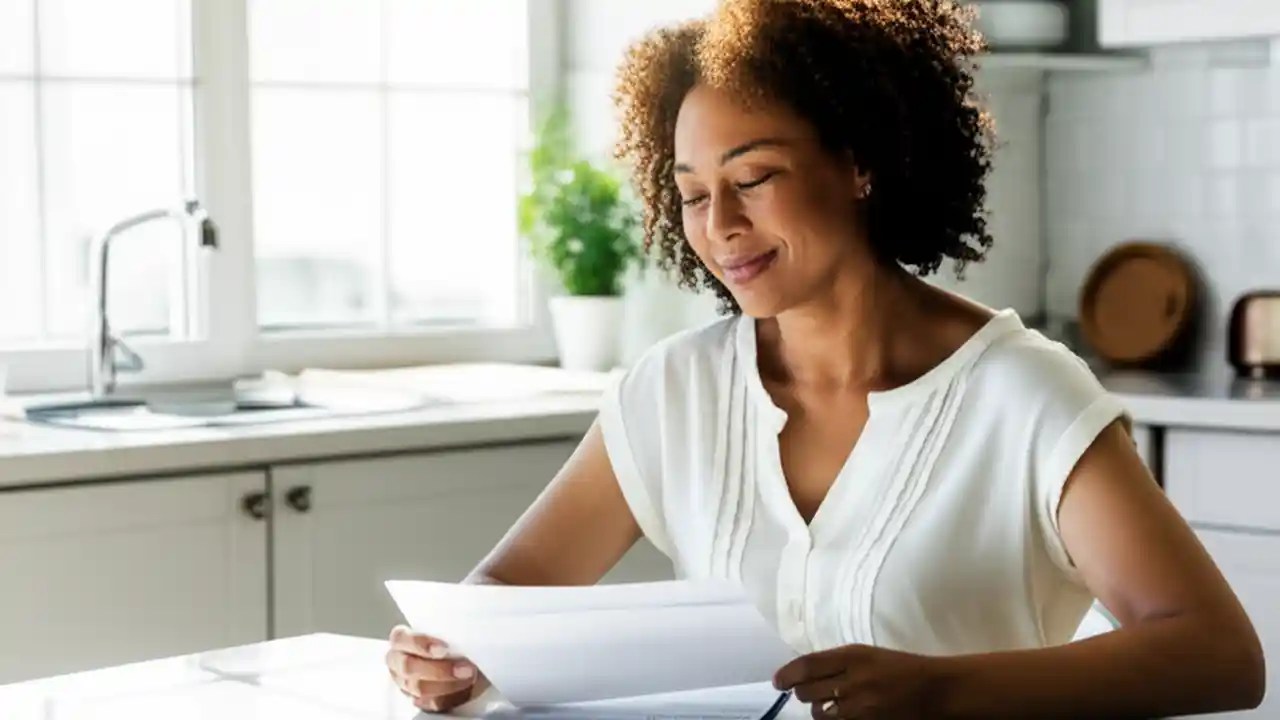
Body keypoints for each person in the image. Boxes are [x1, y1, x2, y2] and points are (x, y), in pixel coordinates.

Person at [387, 0, 1266, 716]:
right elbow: (507, 594)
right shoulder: (675, 389)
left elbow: (1218, 655)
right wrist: (451, 655)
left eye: (755, 176)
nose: (720, 225)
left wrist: (942, 691)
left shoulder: (1021, 394)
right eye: (692, 194)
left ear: (859, 164)